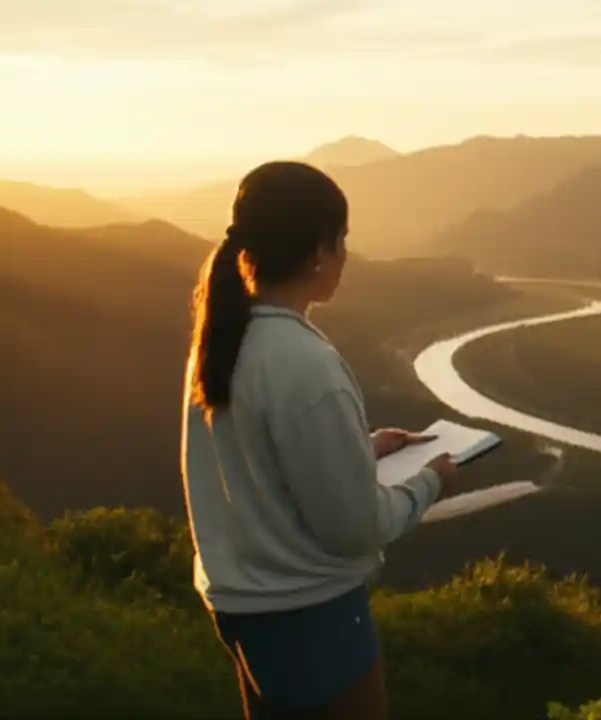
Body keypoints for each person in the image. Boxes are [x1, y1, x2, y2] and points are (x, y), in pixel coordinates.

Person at [180, 161, 462, 719]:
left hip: (242, 606)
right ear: (316, 251)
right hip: (309, 617)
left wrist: (364, 448)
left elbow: (259, 462)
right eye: (342, 240)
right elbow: (355, 528)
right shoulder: (306, 365)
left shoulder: (221, 342)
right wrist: (431, 482)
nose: (345, 255)